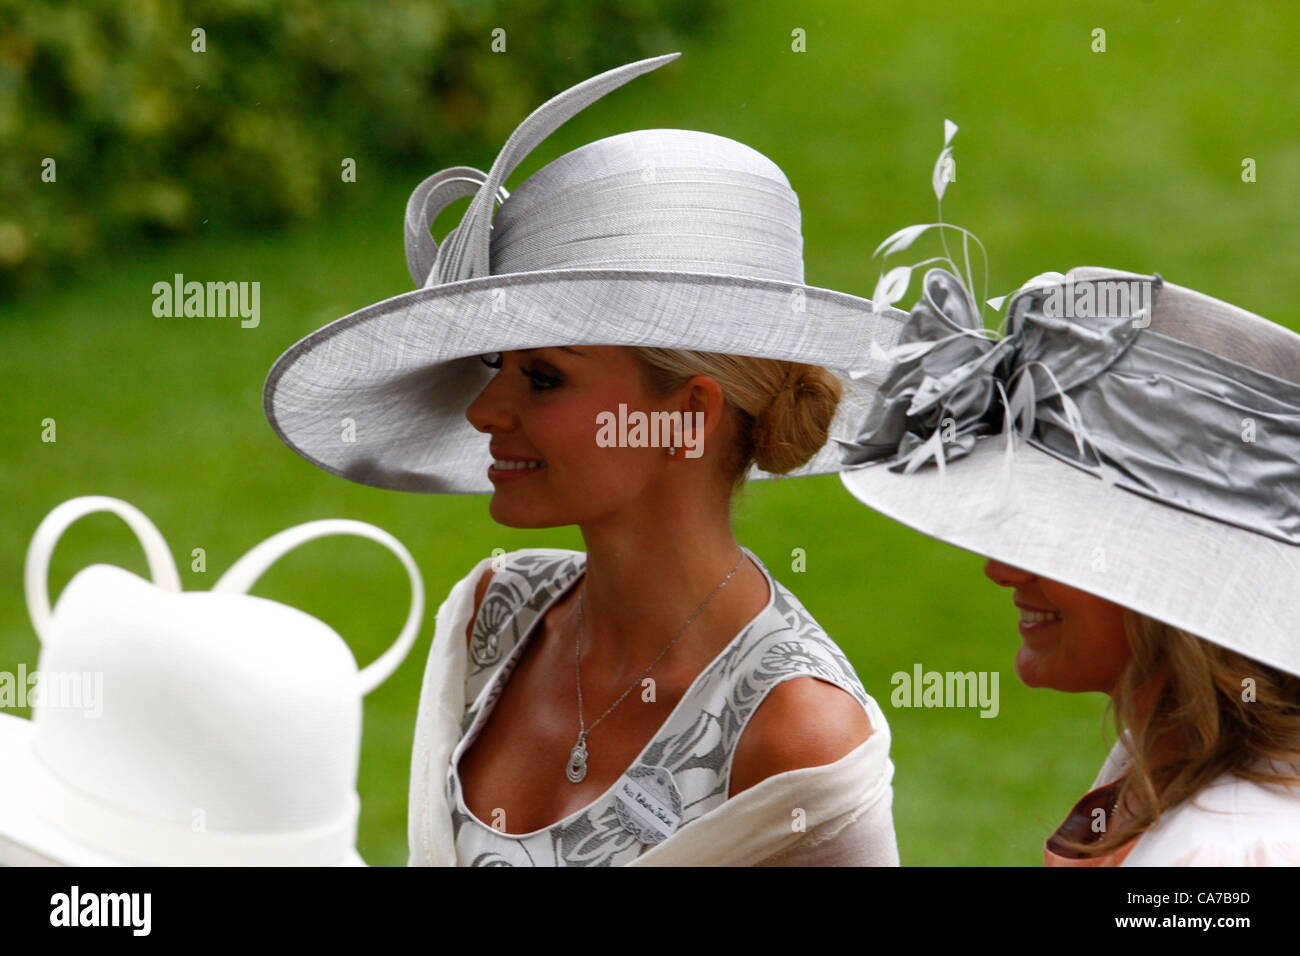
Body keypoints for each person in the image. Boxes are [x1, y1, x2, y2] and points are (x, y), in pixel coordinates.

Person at [262, 53, 909, 866]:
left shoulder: (791, 733)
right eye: (500, 367)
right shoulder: (497, 615)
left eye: (543, 376)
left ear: (686, 418)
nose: (485, 410)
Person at [839, 264, 1300, 865]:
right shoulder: (1174, 757)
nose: (1001, 571)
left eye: (1053, 536)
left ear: (1167, 569)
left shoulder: (1220, 851)